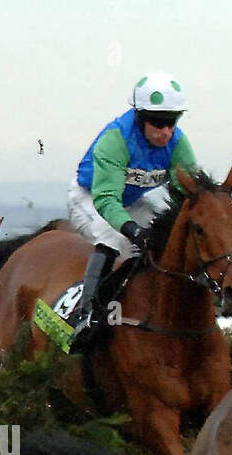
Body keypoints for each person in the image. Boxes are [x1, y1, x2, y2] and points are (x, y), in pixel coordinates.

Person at [65, 72, 197, 352]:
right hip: (89, 197)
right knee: (114, 237)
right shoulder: (116, 140)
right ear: (139, 117)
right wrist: (132, 230)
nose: (166, 132)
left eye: (172, 122)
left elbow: (190, 192)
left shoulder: (178, 144)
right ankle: (86, 314)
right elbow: (106, 200)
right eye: (158, 123)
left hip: (132, 200)